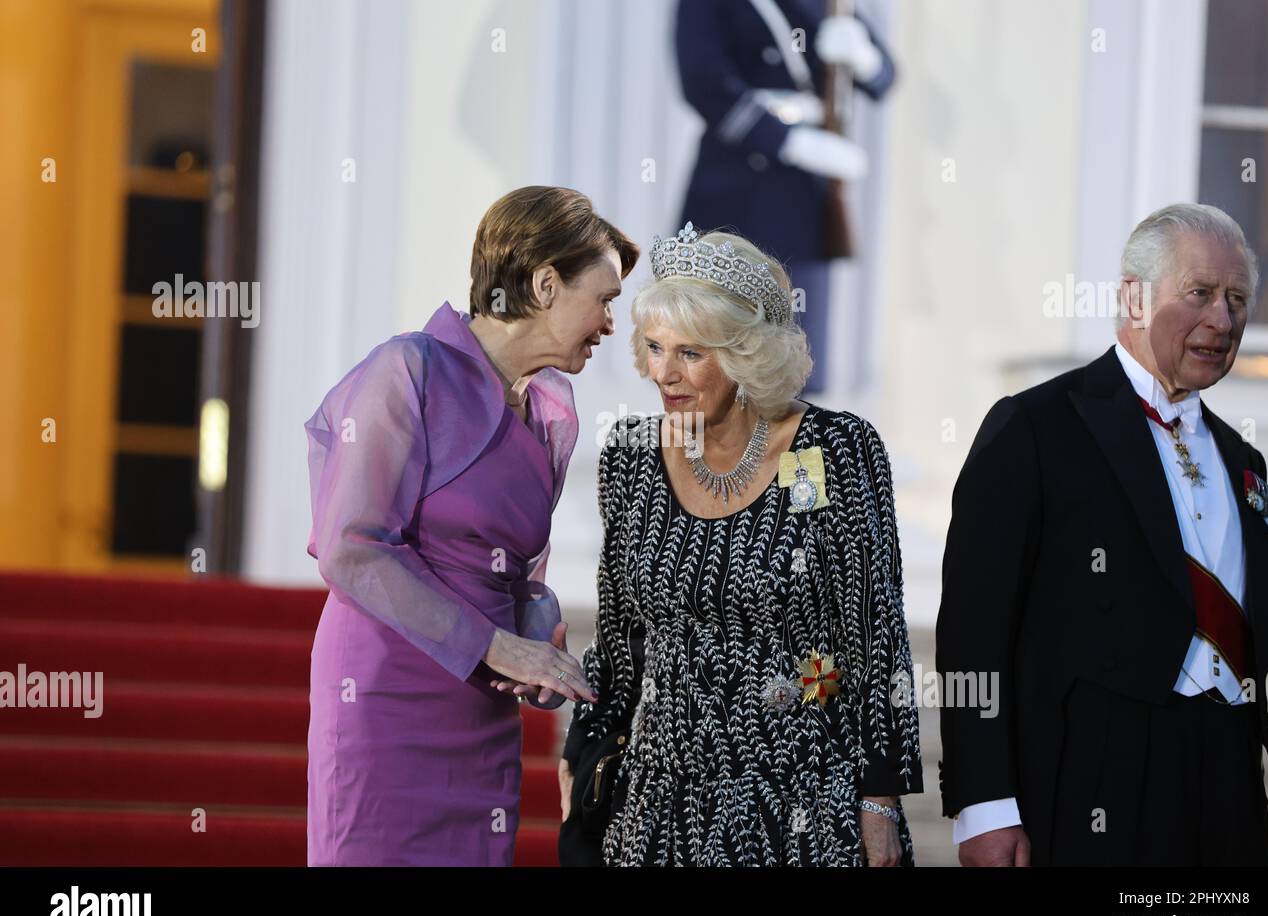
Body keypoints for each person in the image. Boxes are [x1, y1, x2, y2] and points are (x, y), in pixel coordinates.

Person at [937, 203, 1268, 866]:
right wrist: (984, 804)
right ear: (1133, 297)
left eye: (1237, 299)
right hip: (1090, 778)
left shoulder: (1243, 461)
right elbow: (973, 629)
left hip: (1228, 783)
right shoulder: (1036, 427)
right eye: (1200, 294)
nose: (1222, 320)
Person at [555, 225, 921, 865]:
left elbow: (874, 636)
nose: (664, 374)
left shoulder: (830, 450)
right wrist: (585, 751)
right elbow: (619, 637)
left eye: (692, 354)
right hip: (658, 803)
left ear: (749, 355)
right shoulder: (632, 456)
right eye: (655, 347)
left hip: (804, 795)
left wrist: (880, 797)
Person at [304, 186, 637, 865]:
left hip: (480, 708)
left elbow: (513, 568)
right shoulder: (406, 371)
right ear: (545, 284)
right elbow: (352, 549)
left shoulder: (548, 406)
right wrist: (494, 644)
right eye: (603, 299)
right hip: (387, 693)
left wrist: (535, 634)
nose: (610, 323)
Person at [674, 0, 896, 393]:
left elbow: (885, 78)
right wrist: (788, 140)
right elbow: (704, 83)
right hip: (736, 179)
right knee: (716, 345)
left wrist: (862, 55)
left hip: (804, 191)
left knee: (797, 347)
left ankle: (794, 451)